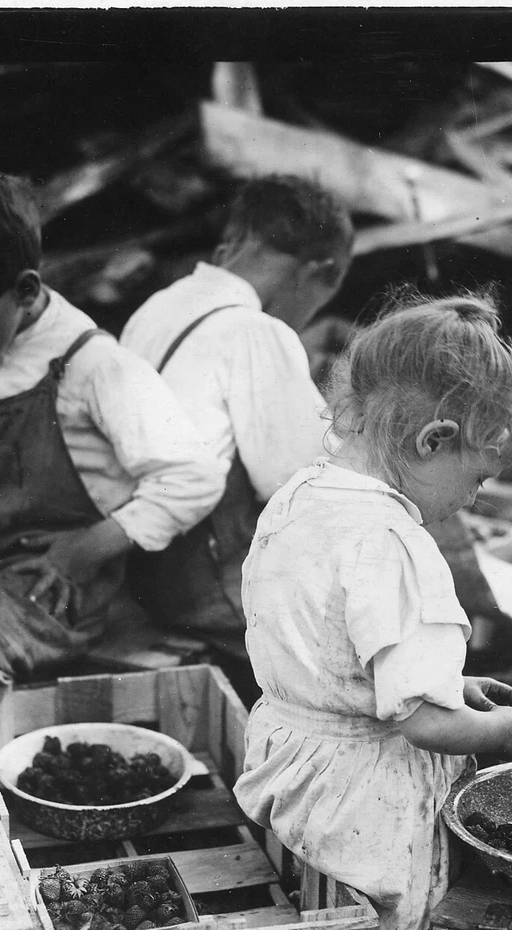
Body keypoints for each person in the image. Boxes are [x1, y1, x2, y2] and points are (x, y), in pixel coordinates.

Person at [0, 159, 224, 757]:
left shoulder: (92, 365)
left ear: (25, 291)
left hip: (48, 586)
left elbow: (193, 475)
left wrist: (86, 549)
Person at [232, 294, 512, 930]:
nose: (473, 497)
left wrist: (450, 685)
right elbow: (424, 723)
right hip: (368, 799)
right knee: (390, 929)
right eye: (478, 477)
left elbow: (334, 654)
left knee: (321, 917)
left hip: (295, 769)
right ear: (435, 440)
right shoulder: (395, 543)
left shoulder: (299, 495)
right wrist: (502, 734)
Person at [118, 175, 353, 695]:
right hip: (200, 581)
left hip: (138, 563)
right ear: (320, 271)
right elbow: (298, 477)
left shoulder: (158, 306)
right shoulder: (256, 330)